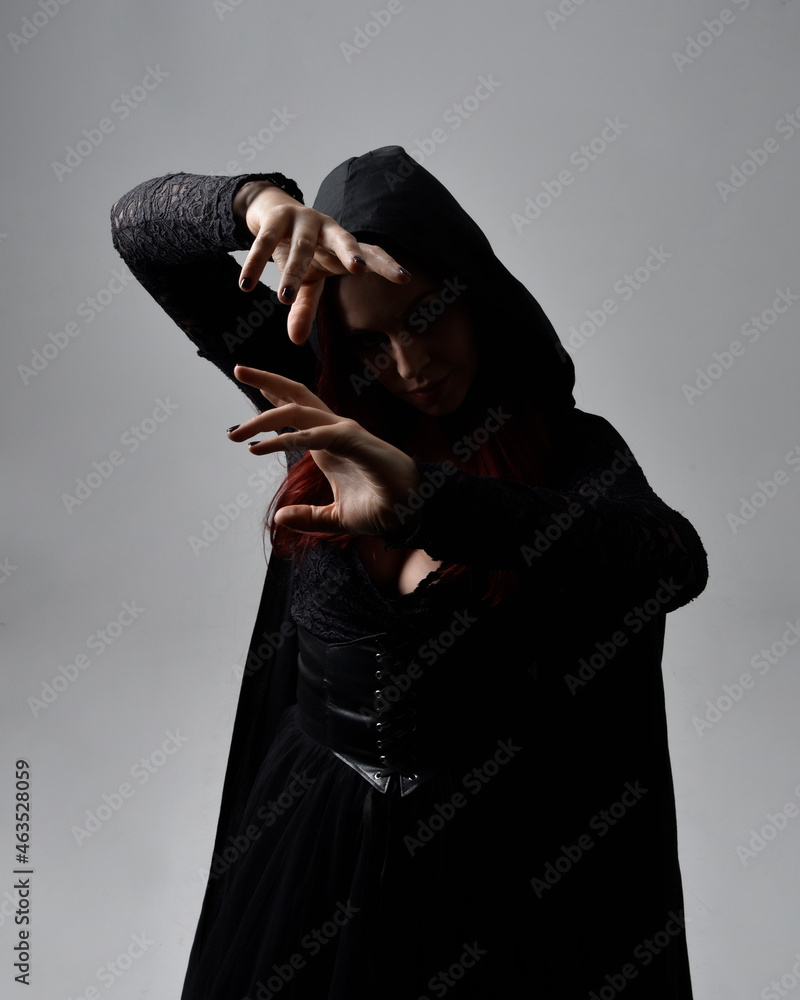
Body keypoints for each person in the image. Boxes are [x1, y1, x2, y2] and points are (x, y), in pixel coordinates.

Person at [110, 145, 708, 999]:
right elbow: (136, 227)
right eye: (371, 340)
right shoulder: (316, 407)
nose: (410, 362)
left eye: (428, 315)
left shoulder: (571, 447)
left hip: (497, 864)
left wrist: (427, 499)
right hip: (307, 836)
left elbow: (671, 564)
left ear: (480, 299)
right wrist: (253, 203)